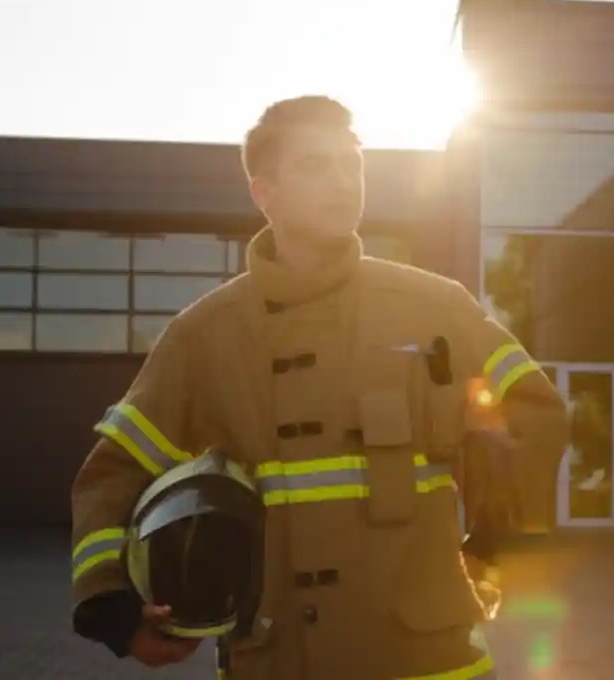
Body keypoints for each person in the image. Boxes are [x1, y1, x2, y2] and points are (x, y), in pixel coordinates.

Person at [68, 95, 568, 679]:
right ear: (264, 192)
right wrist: (113, 608)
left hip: (431, 662)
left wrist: (496, 544)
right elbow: (115, 470)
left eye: (351, 163)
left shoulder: (436, 307)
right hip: (276, 659)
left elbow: (534, 412)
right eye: (315, 165)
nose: (343, 181)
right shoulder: (205, 336)